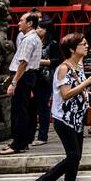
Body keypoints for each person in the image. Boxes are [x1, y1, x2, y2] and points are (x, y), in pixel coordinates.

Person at [25, 33, 91, 181]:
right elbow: (65, 94)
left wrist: (90, 94)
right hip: (64, 119)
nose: (86, 46)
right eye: (83, 44)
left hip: (76, 119)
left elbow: (77, 89)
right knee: (73, 156)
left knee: (75, 159)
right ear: (72, 49)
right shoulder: (63, 68)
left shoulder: (78, 66)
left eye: (86, 43)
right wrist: (89, 83)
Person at [0, 11, 42, 155]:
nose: (18, 23)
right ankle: (23, 142)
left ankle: (17, 143)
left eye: (21, 20)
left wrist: (14, 82)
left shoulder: (29, 39)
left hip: (23, 77)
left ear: (29, 23)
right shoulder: (33, 38)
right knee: (26, 110)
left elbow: (23, 63)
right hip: (28, 76)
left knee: (19, 111)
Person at [32, 15, 57, 147]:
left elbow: (57, 61)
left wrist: (39, 61)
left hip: (45, 78)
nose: (38, 29)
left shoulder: (52, 44)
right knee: (32, 107)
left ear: (47, 30)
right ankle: (31, 134)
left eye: (41, 27)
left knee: (43, 108)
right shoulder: (34, 42)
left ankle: (42, 136)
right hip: (32, 77)